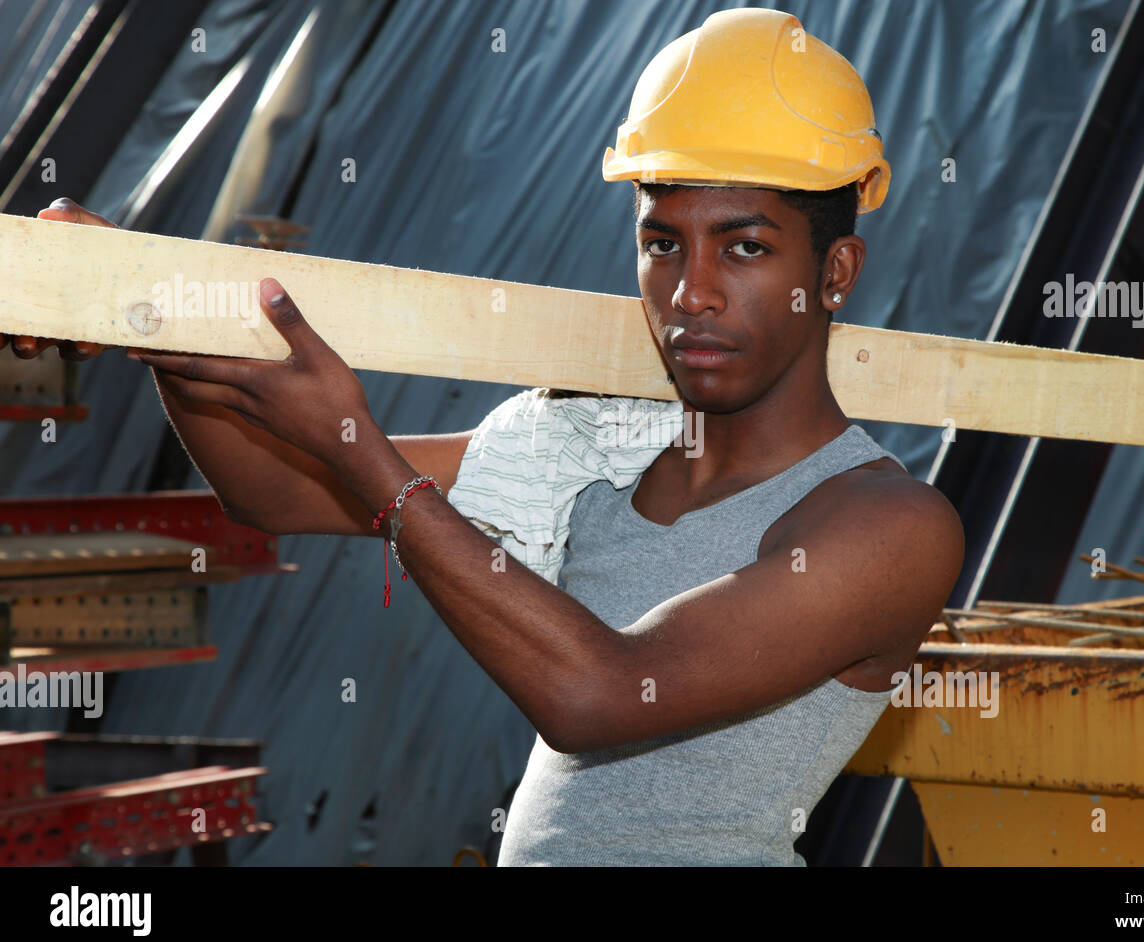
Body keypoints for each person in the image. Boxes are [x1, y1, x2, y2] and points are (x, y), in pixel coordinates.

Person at [12, 7, 963, 865]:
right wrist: (148, 314)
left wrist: (361, 447)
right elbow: (274, 492)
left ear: (834, 271)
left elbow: (605, 693)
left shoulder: (888, 525)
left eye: (745, 247)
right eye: (663, 241)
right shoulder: (595, 450)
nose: (691, 291)